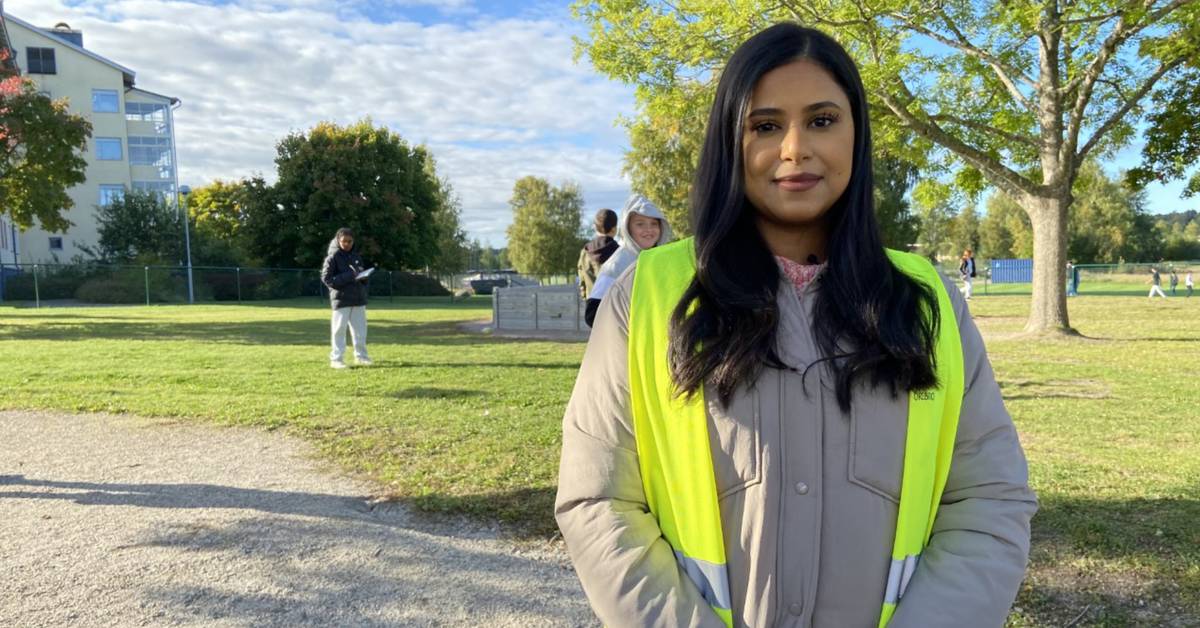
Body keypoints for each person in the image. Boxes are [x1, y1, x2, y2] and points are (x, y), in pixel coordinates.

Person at [556, 23, 1036, 628]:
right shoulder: (647, 298)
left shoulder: (926, 303)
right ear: (731, 143)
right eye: (764, 126)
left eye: (822, 120)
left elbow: (989, 498)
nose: (794, 148)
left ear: (856, 135)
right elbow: (598, 501)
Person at [583, 195, 674, 327]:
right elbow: (593, 314)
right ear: (627, 228)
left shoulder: (660, 260)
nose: (648, 229)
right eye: (640, 224)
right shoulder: (617, 264)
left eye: (654, 223)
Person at [321, 227, 372, 368]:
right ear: (338, 240)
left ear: (353, 241)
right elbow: (327, 279)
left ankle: (361, 357)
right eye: (344, 241)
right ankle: (336, 359)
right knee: (339, 330)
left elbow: (359, 274)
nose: (347, 244)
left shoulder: (356, 256)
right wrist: (350, 275)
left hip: (358, 299)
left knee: (360, 330)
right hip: (341, 299)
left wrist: (364, 277)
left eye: (349, 241)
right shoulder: (332, 258)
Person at [577, 208, 620, 301]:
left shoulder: (585, 252)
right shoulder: (620, 253)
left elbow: (582, 282)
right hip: (614, 305)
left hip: (592, 304)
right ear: (614, 229)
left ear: (595, 227)